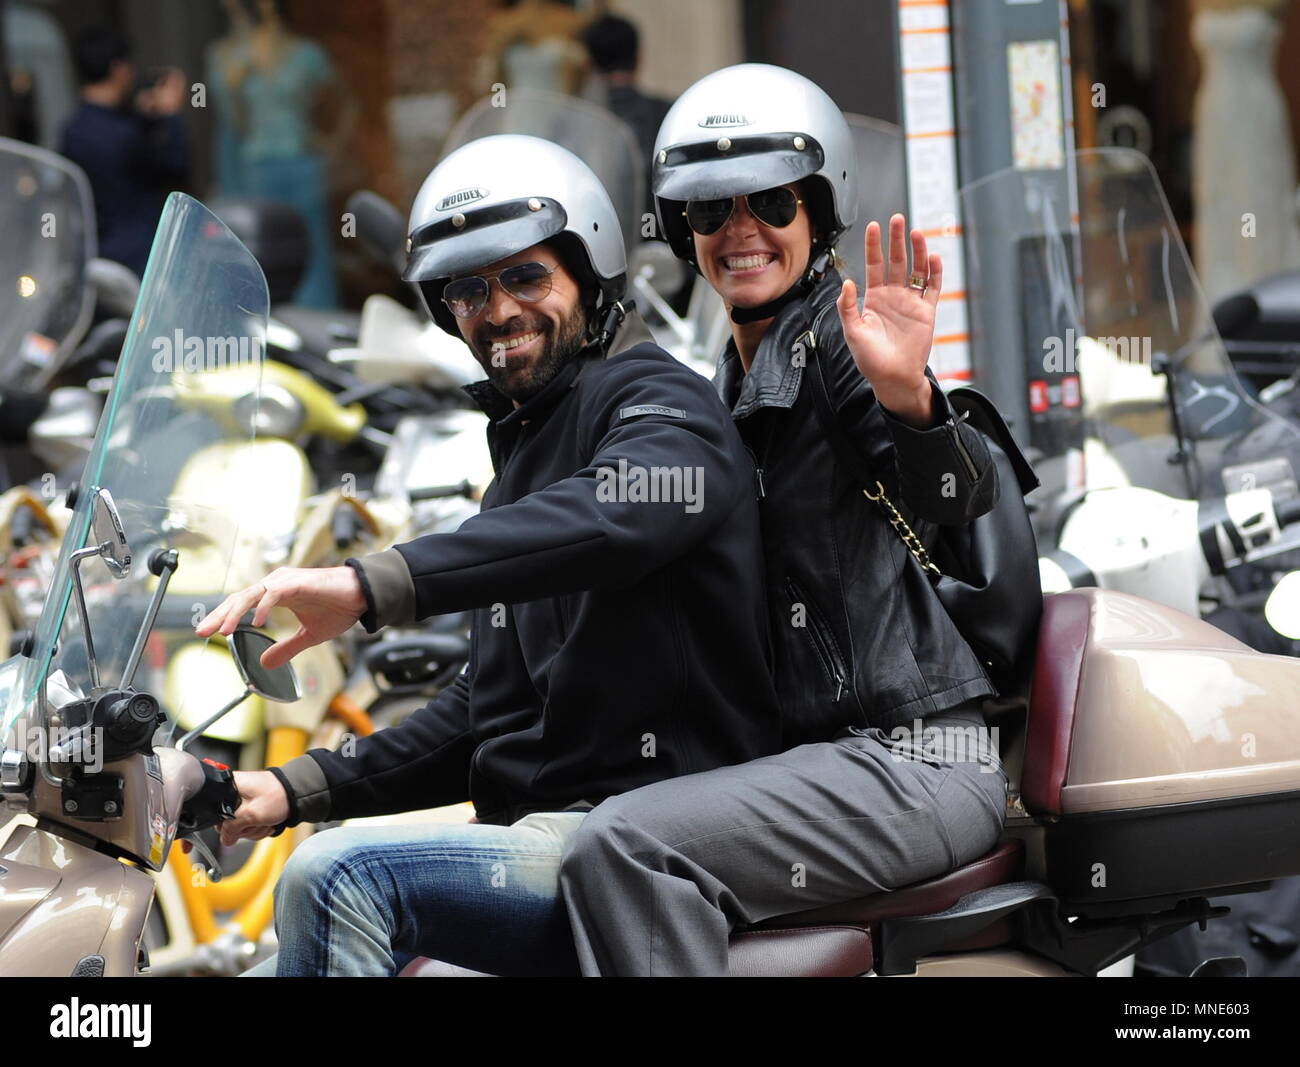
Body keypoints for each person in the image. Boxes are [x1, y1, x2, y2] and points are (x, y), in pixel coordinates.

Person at [196, 134, 782, 976]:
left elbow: (617, 510)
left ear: (590, 270)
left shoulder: (662, 404)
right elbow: (487, 714)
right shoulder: (522, 451)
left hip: (640, 841)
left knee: (336, 877)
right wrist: (295, 789)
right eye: (467, 289)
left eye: (525, 277)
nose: (497, 310)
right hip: (532, 832)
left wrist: (374, 583)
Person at [557, 63, 1030, 976]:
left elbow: (958, 497)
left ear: (817, 208)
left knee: (624, 844)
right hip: (823, 764)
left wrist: (911, 400)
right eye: (707, 209)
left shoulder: (842, 353)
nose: (739, 231)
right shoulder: (720, 386)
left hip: (915, 758)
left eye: (769, 201)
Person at [59, 27, 188, 278]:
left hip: (98, 254)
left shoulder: (72, 130)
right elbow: (175, 164)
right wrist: (171, 114)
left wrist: (145, 118)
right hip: (141, 258)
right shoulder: (124, 134)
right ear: (118, 69)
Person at [580, 14, 671, 223]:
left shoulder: (573, 122)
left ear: (588, 63)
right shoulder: (666, 115)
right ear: (639, 57)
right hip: (658, 237)